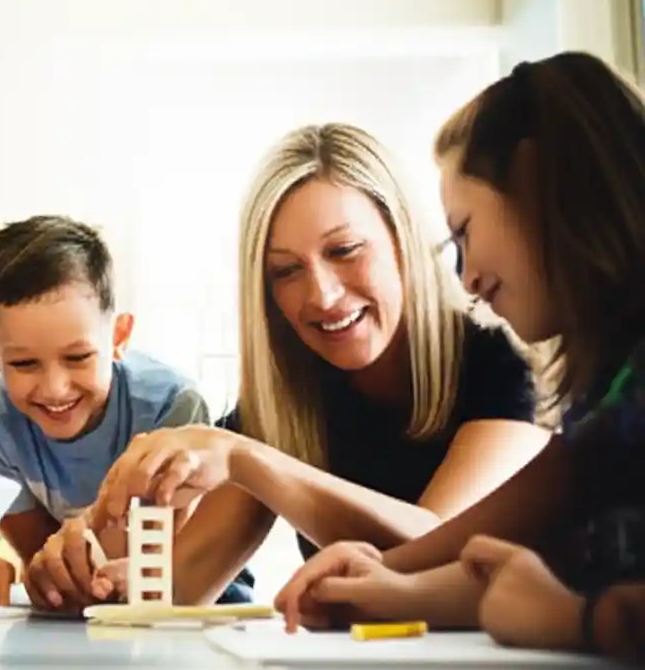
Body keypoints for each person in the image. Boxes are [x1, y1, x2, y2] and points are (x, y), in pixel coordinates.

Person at [274, 53, 645, 664]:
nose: (467, 278)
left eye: (465, 231)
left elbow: (554, 574)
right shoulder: (607, 401)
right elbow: (533, 520)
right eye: (285, 272)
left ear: (535, 184)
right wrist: (387, 581)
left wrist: (576, 619)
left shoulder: (519, 374)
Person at [83, 123, 548, 608]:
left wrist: (246, 459)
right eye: (286, 271)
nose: (322, 296)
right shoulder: (289, 398)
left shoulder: (502, 361)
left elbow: (438, 549)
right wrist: (87, 574)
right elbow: (176, 592)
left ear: (402, 239)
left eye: (344, 251)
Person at [0, 215, 254, 611]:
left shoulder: (172, 403)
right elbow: (46, 562)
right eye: (24, 364)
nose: (55, 388)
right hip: (85, 600)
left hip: (197, 590)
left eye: (78, 357)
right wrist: (53, 575)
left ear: (119, 336)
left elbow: (168, 552)